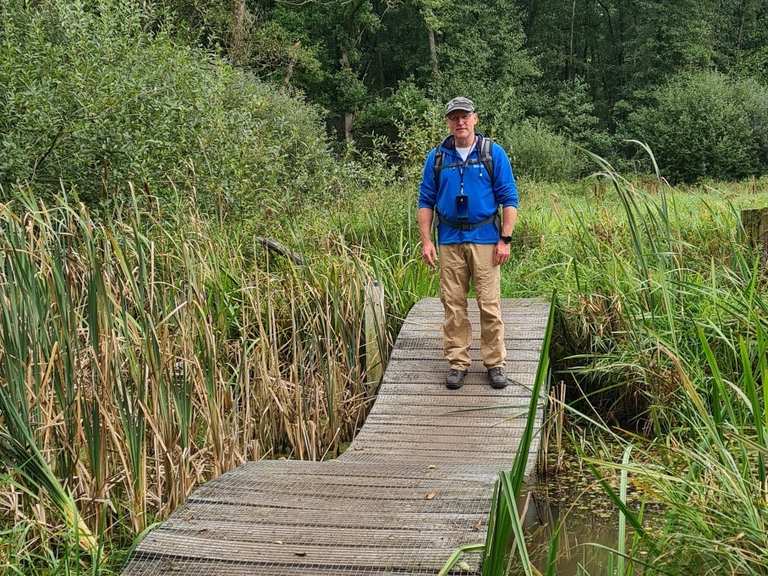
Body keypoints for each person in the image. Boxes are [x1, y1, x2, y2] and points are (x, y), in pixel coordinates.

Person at [417, 96, 518, 390]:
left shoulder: (493, 153)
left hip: (486, 238)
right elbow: (425, 201)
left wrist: (505, 239)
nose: (460, 122)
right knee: (453, 304)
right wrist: (426, 241)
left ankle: (495, 363)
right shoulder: (437, 158)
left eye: (465, 116)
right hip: (449, 239)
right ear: (448, 122)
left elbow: (509, 198)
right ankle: (458, 363)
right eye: (454, 117)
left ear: (475, 119)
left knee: (489, 304)